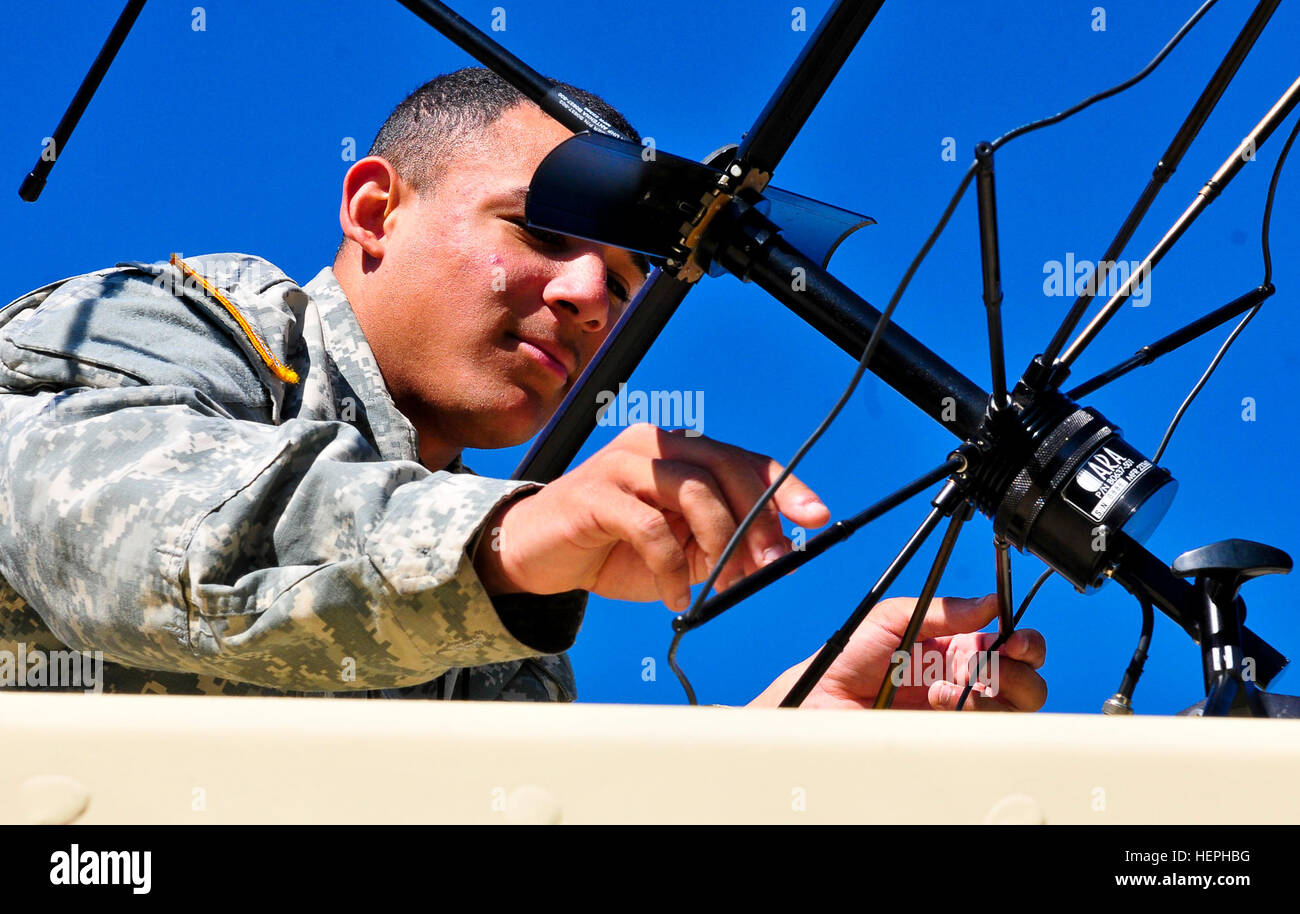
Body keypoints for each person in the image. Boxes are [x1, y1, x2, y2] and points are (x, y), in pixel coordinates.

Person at [0, 68, 1046, 710]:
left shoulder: (505, 633)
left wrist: (789, 746)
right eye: (541, 231)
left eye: (630, 284)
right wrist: (508, 539)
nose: (594, 296)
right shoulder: (154, 332)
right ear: (374, 209)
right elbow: (143, 537)